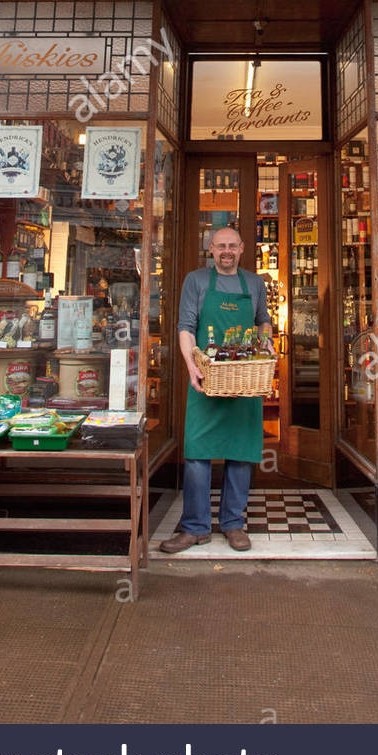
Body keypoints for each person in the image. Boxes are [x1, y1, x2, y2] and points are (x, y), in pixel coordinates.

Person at [160, 225, 274, 553]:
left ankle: (233, 523)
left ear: (242, 249)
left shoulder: (254, 283)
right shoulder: (195, 280)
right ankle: (195, 527)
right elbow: (186, 327)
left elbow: (263, 320)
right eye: (221, 245)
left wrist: (264, 343)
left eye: (232, 246)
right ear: (211, 249)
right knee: (197, 451)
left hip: (244, 377)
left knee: (241, 451)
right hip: (205, 377)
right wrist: (190, 366)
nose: (227, 251)